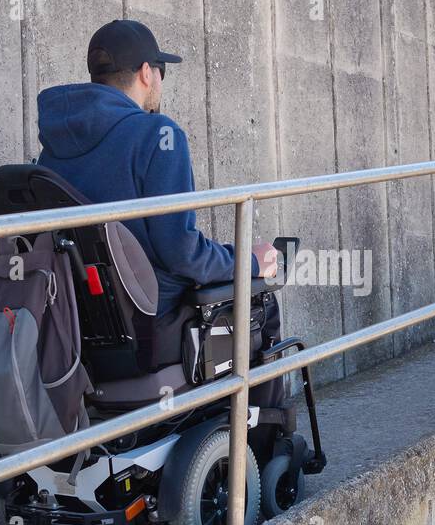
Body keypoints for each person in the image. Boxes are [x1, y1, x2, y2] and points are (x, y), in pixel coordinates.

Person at [35, 19, 280, 381]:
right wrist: (250, 263)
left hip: (74, 325)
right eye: (161, 70)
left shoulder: (52, 150)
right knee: (260, 299)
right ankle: (259, 427)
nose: (161, 81)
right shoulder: (159, 135)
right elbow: (183, 253)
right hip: (150, 326)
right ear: (147, 73)